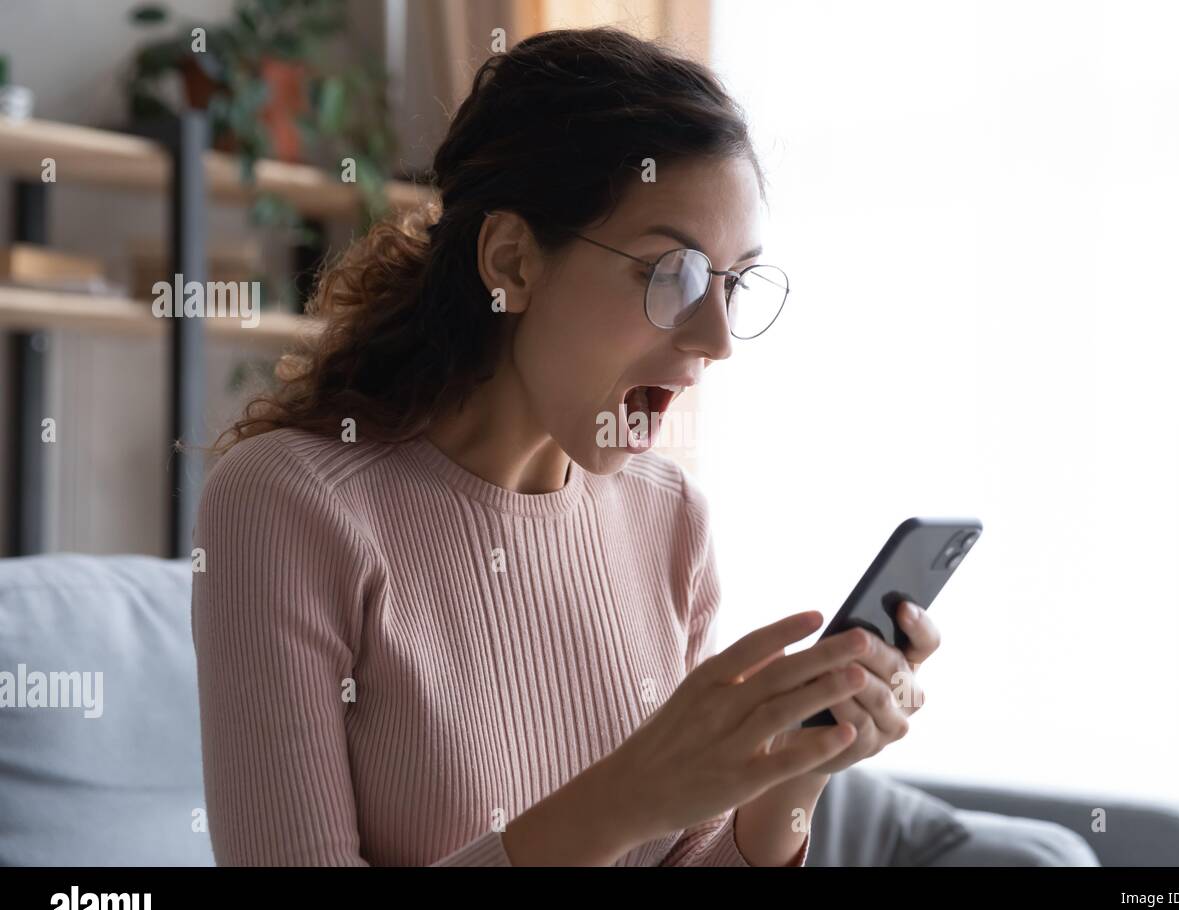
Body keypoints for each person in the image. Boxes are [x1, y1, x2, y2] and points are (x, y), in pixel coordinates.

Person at [190, 25, 1096, 867]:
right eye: (675, 274)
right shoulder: (288, 505)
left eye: (733, 284)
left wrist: (792, 780)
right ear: (511, 260)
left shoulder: (667, 517)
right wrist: (628, 796)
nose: (716, 338)